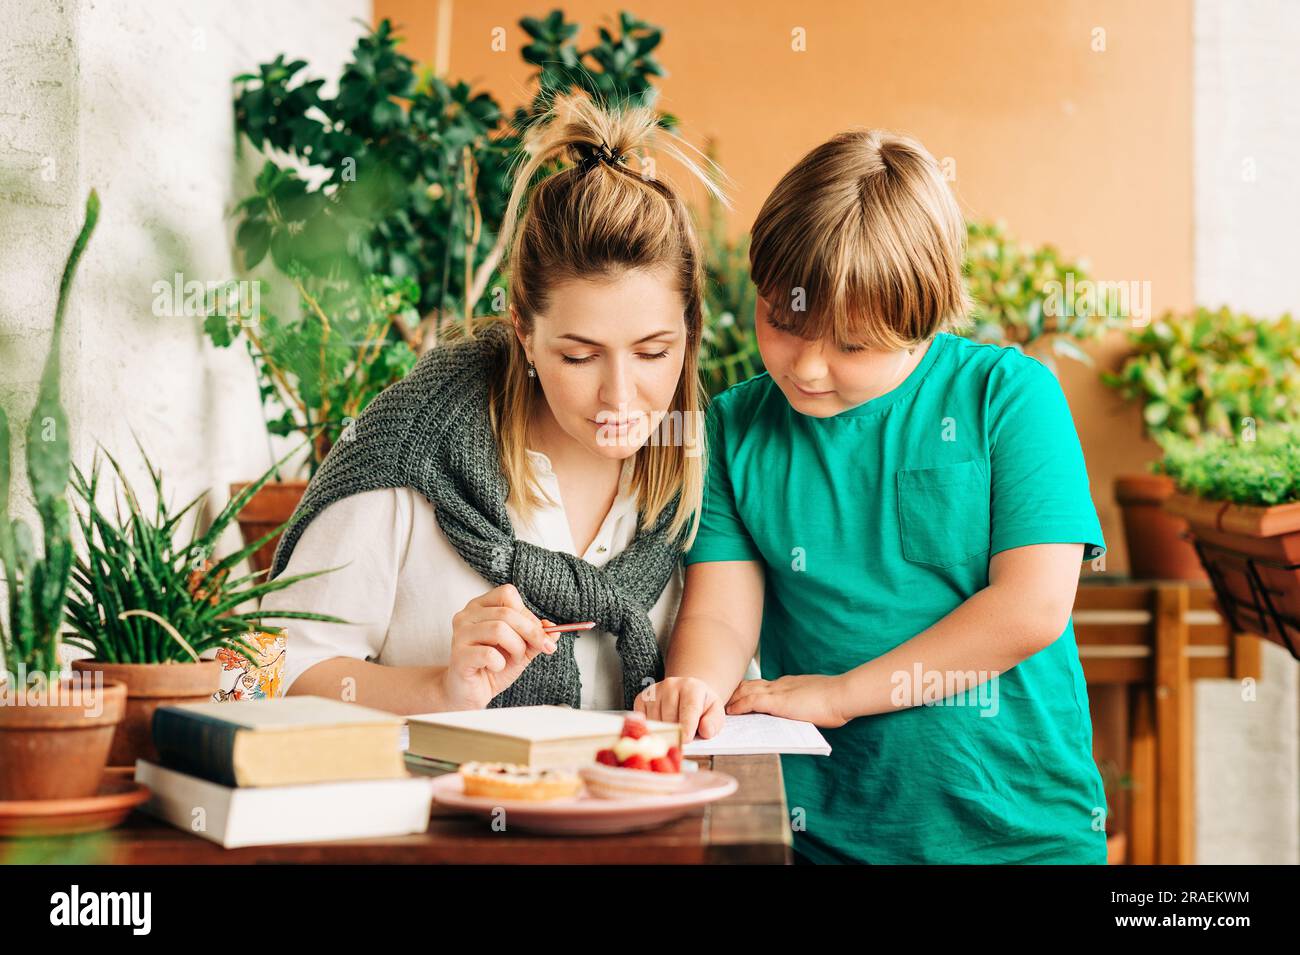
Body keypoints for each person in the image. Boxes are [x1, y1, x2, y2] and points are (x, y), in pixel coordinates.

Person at [636, 128, 1109, 864]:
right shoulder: (733, 427)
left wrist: (842, 693)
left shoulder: (1009, 397)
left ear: (925, 319)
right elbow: (723, 613)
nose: (809, 367)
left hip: (1021, 832)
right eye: (783, 324)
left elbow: (1032, 606)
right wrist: (693, 688)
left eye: (852, 346)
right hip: (825, 833)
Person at [261, 92, 750, 716]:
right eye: (579, 356)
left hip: (634, 809)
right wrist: (438, 689)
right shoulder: (409, 450)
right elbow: (254, 668)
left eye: (654, 353)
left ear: (690, 331)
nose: (620, 396)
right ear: (523, 329)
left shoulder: (699, 471)